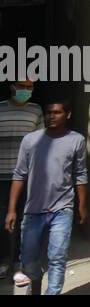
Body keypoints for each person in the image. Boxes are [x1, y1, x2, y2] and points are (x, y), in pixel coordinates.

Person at [5, 99, 88, 295]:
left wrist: (82, 205)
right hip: (33, 210)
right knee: (29, 258)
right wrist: (11, 210)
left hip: (62, 208)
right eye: (49, 112)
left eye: (57, 112)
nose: (52, 116)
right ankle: (35, 285)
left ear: (67, 115)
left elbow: (80, 174)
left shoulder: (77, 140)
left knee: (57, 257)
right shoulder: (30, 140)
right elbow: (19, 175)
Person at [0, 80, 41, 279]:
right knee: (2, 219)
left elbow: (42, 142)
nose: (25, 91)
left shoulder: (36, 111)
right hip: (1, 174)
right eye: (21, 86)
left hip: (26, 177)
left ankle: (17, 260)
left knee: (23, 220)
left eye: (29, 87)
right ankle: (3, 260)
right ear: (11, 86)